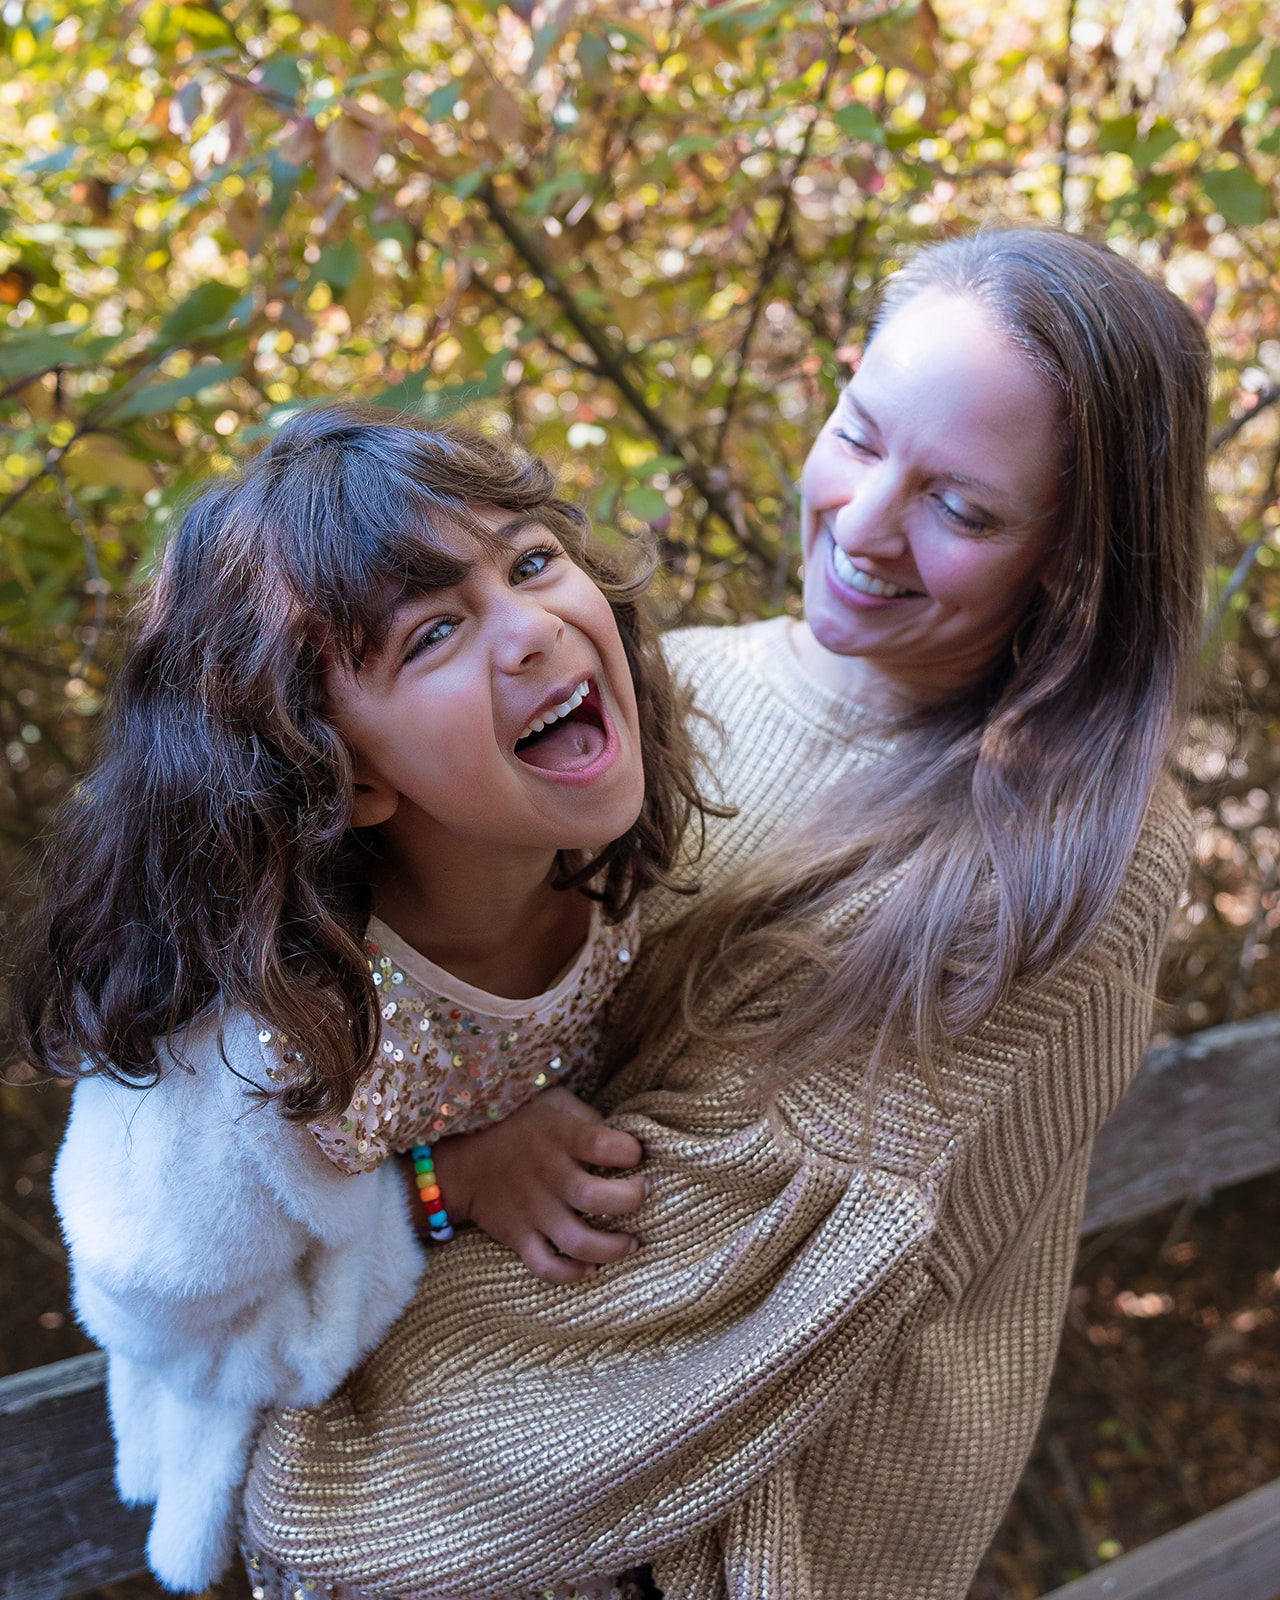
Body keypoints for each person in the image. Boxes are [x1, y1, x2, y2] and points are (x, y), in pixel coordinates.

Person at [242, 227, 1210, 1600]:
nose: (866, 522)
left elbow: (673, 1282)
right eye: (860, 433)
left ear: (1075, 558)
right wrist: (438, 1177)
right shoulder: (676, 689)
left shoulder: (1054, 855)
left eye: (964, 509)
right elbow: (375, 1068)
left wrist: (298, 1463)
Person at [15, 406, 715, 1591]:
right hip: (349, 1501)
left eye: (531, 560)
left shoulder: (598, 857)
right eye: (434, 633)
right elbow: (152, 1293)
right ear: (342, 774)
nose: (533, 629)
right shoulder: (263, 1037)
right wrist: (446, 1180)